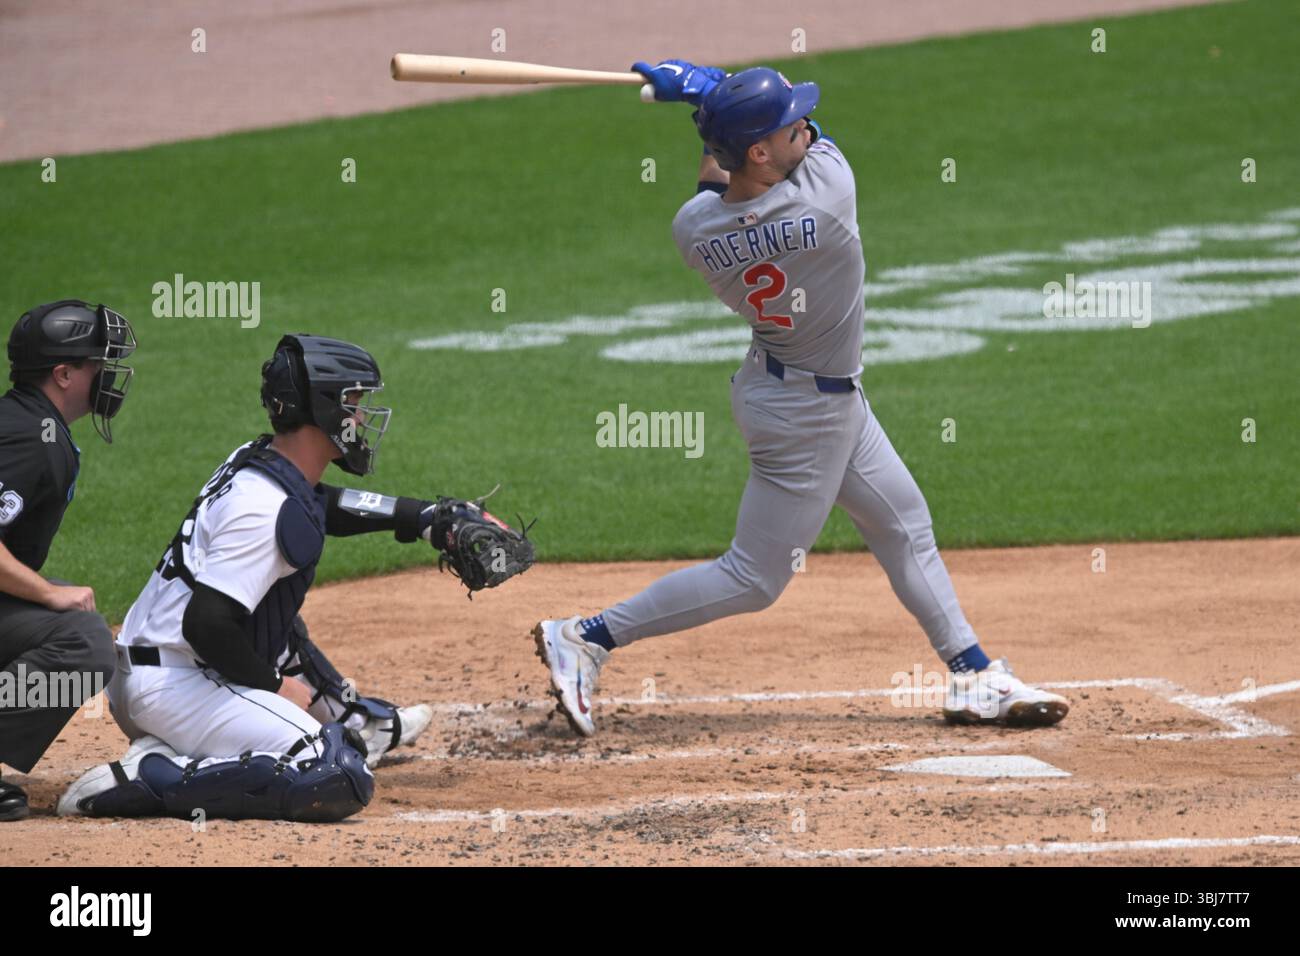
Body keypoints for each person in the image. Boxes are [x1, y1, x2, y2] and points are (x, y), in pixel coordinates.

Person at [533, 62, 1070, 736]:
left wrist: (711, 110)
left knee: (903, 524)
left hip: (792, 390)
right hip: (808, 416)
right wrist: (708, 89)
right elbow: (797, 150)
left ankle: (974, 675)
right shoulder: (827, 195)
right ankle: (586, 637)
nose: (807, 127)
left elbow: (715, 186)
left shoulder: (693, 229)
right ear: (760, 151)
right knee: (754, 579)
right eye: (792, 125)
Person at [57, 333, 479, 821]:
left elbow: (320, 506)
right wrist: (276, 685)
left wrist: (419, 516)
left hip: (154, 667)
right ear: (323, 410)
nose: (362, 418)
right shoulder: (263, 510)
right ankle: (151, 776)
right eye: (355, 404)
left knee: (275, 619)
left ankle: (353, 721)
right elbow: (207, 624)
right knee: (334, 772)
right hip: (176, 685)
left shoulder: (260, 461)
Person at [0, 299, 137, 821]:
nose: (108, 376)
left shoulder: (33, 425)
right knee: (81, 640)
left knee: (68, 623)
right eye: (97, 364)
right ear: (63, 374)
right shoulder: (27, 436)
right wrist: (48, 592)